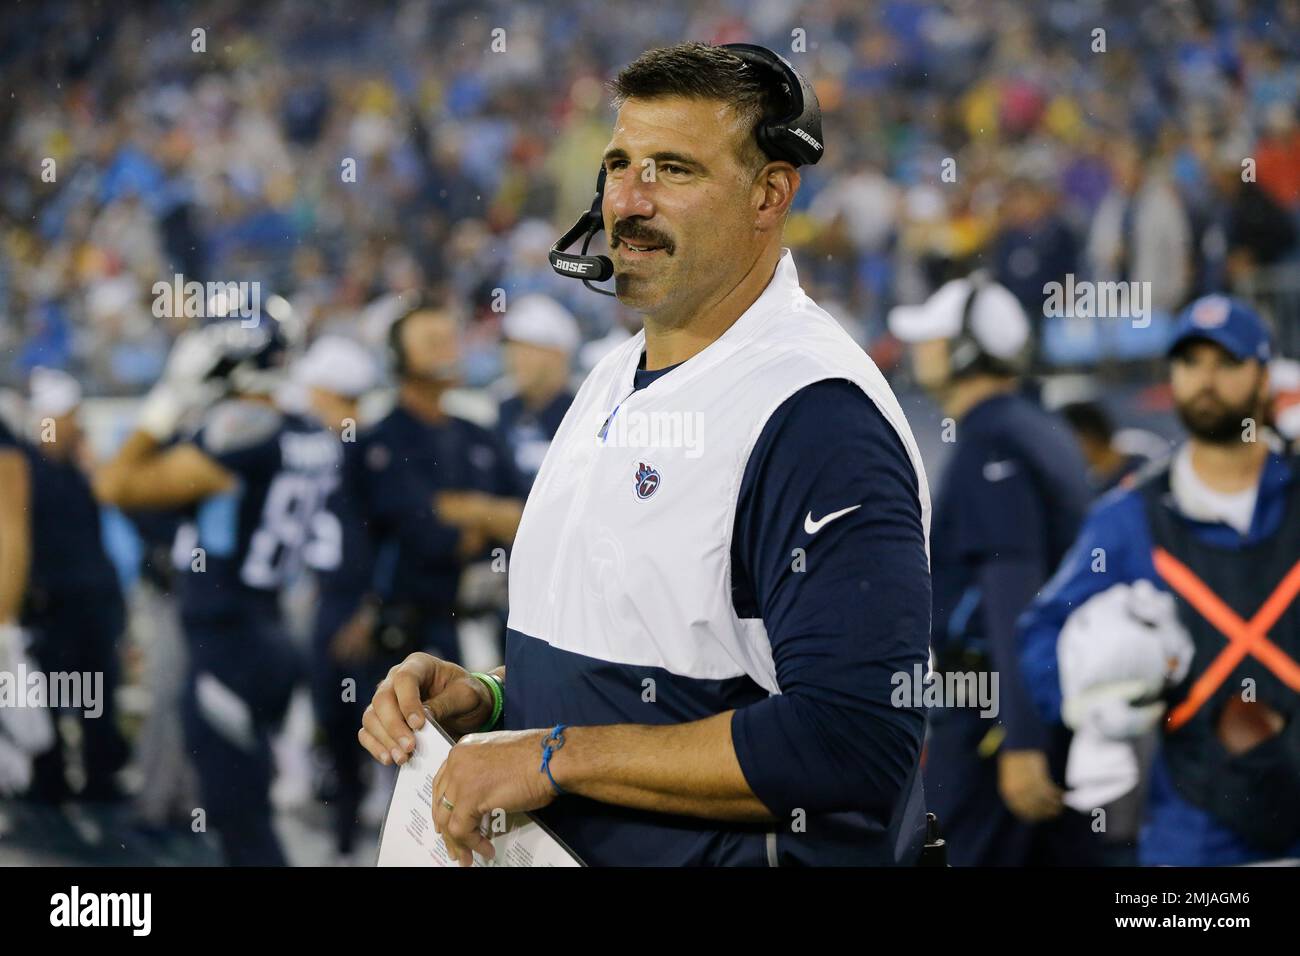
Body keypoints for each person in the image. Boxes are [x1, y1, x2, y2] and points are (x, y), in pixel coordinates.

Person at [360, 42, 933, 867]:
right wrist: (491, 700)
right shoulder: (614, 371)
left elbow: (855, 741)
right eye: (620, 163)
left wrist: (553, 756)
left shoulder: (816, 415)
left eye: (674, 169)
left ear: (769, 194)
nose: (629, 200)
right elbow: (650, 661)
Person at [1019, 295, 1300, 865]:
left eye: (1227, 362)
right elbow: (1040, 639)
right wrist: (1086, 698)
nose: (1206, 380)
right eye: (1190, 363)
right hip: (1195, 830)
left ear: (1264, 377)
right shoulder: (1128, 518)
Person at [94, 318, 339, 865]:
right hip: (266, 624)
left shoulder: (243, 425)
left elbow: (115, 483)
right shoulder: (303, 426)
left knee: (239, 814)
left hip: (230, 641)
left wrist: (168, 399)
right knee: (240, 800)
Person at [888, 273, 1103, 866]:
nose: (919, 347)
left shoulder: (994, 443)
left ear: (965, 348)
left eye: (934, 336)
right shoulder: (1032, 427)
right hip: (1041, 702)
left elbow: (1015, 598)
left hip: (995, 717)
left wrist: (1021, 739)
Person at [345, 298, 526, 669]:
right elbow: (425, 532)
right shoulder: (380, 442)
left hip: (488, 622)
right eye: (432, 341)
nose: (448, 350)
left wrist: (466, 511)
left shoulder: (478, 433)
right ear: (398, 356)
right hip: (409, 633)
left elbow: (525, 517)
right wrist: (484, 519)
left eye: (451, 338)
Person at [6, 368, 129, 802]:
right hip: (47, 602)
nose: (77, 425)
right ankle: (49, 779)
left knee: (98, 694)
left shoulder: (81, 468)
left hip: (91, 600)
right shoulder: (23, 466)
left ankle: (99, 778)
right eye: (69, 417)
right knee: (45, 696)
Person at [494, 294, 579, 489]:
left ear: (558, 354)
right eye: (511, 349)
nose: (514, 358)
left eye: (527, 349)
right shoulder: (505, 411)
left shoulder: (583, 413)